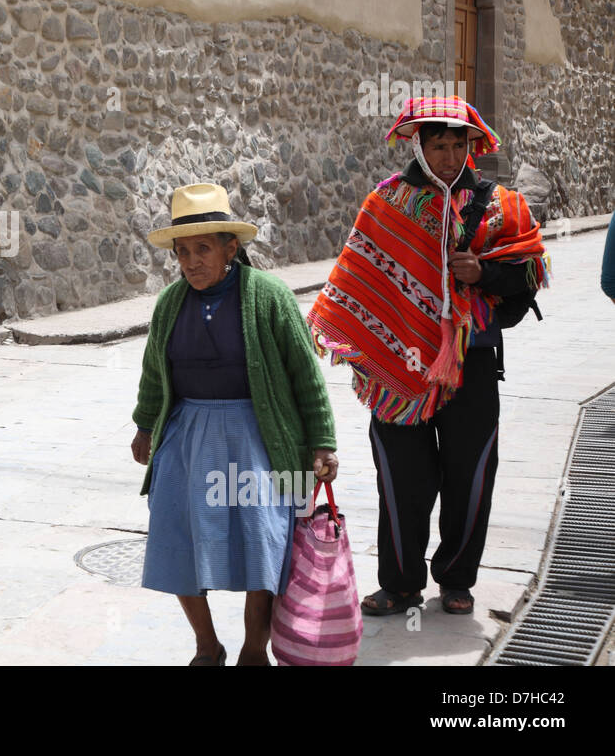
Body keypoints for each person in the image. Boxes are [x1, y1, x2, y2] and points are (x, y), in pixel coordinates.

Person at [307, 97, 548, 618]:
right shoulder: (386, 203)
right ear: (418, 144)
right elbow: (359, 274)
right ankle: (399, 583)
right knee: (402, 477)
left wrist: (482, 274)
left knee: (471, 473)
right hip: (399, 366)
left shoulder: (500, 205)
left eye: (458, 144)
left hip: (472, 363)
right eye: (438, 144)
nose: (448, 155)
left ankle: (457, 579)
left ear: (472, 145)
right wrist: (363, 341)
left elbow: (528, 273)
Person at [131, 183, 338, 666]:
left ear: (231, 248)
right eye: (182, 252)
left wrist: (321, 441)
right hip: (186, 437)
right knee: (177, 537)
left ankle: (252, 650)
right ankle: (207, 645)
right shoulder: (169, 303)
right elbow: (154, 373)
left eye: (203, 248)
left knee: (262, 541)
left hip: (256, 436)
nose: (191, 261)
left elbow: (305, 373)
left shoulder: (268, 296)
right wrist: (145, 426)